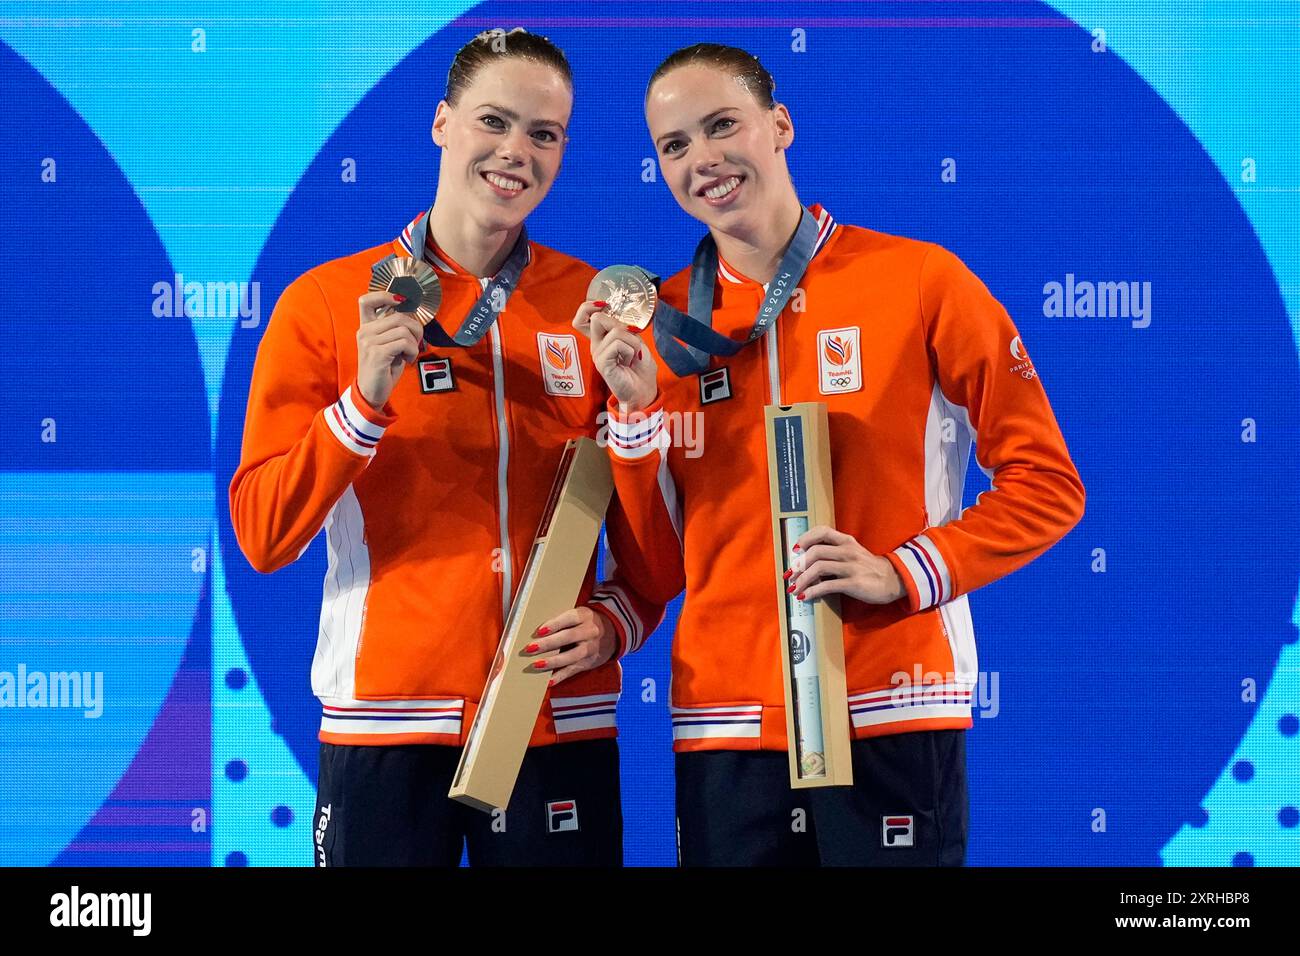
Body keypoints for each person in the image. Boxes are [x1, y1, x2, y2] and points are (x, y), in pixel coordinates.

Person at [575, 42, 1086, 866]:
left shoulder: (920, 279)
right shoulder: (650, 330)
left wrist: (905, 571)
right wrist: (632, 420)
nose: (702, 159)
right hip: (726, 730)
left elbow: (1048, 486)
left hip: (891, 706)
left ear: (779, 126)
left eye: (722, 126)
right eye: (674, 145)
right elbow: (657, 570)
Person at [229, 28, 662, 867]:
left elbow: (660, 529)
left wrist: (621, 620)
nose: (516, 152)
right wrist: (362, 404)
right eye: (493, 122)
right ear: (441, 123)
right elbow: (261, 532)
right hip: (386, 723)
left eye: (544, 133)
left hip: (554, 718)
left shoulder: (598, 306)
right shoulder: (325, 304)